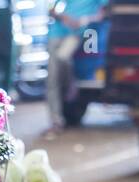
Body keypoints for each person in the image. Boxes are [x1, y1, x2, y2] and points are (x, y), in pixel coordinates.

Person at [45, 0, 108, 137]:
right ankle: (56, 121)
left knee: (62, 58)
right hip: (56, 33)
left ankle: (71, 86)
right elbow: (50, 8)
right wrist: (63, 17)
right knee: (52, 81)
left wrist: (84, 20)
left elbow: (104, 12)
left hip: (76, 34)